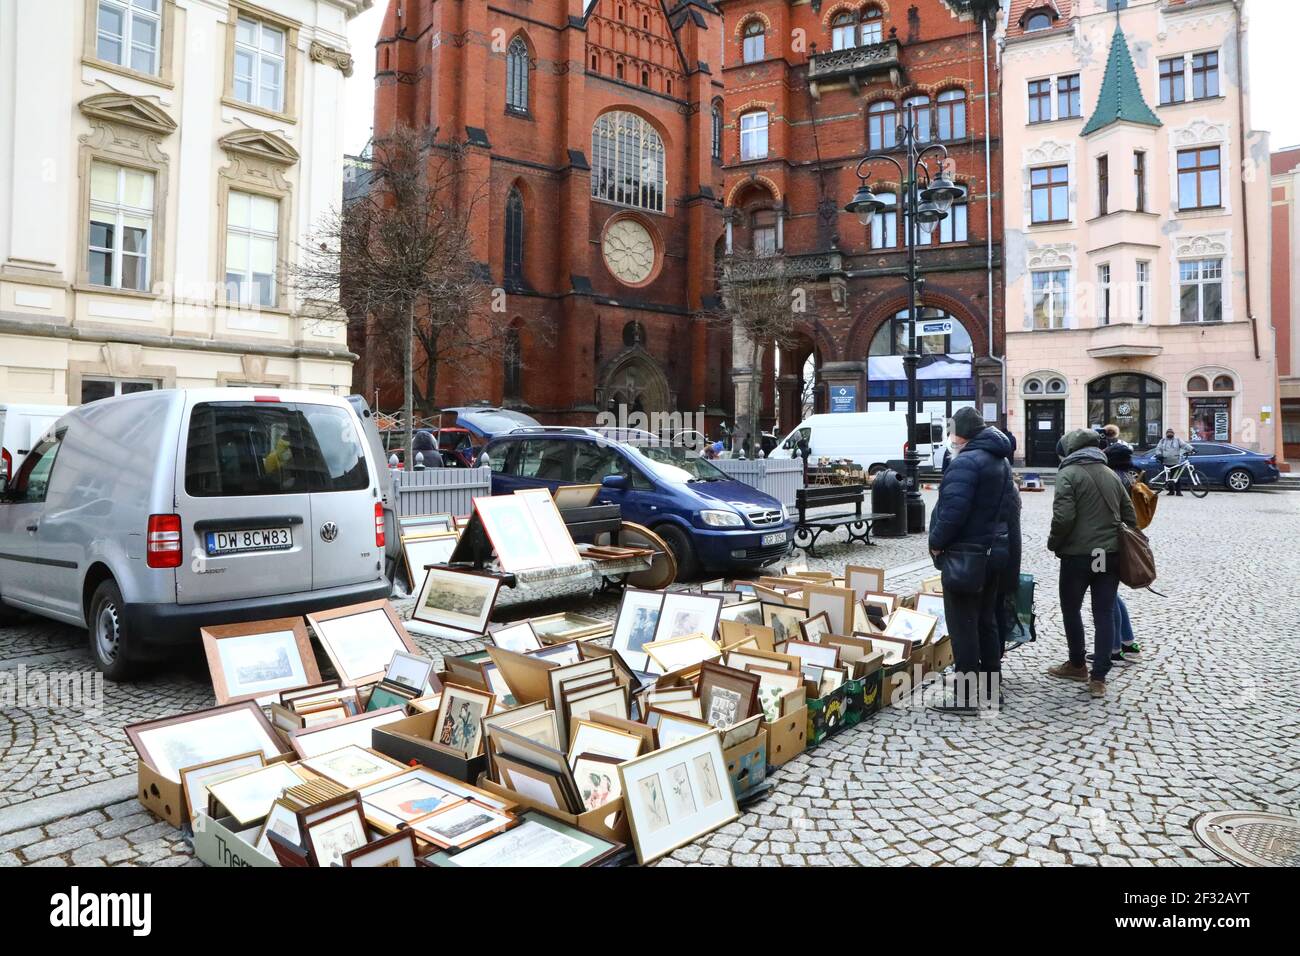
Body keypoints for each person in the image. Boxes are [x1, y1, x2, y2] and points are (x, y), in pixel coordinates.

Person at [928, 407, 1019, 714]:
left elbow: (953, 513)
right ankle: (993, 691)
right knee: (987, 622)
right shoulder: (1000, 459)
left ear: (960, 433)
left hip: (967, 555)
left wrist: (936, 543)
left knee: (963, 625)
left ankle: (966, 698)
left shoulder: (966, 462)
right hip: (995, 553)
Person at [1046, 429, 1137, 698]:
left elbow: (1063, 517)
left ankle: (1077, 665)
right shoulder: (1111, 474)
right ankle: (1099, 677)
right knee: (1104, 613)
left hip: (1077, 556)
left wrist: (1054, 542)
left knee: (1071, 609)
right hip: (1108, 556)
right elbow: (1130, 516)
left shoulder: (1068, 474)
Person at [1098, 426, 1142, 661]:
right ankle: (1128, 641)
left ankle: (1113, 648)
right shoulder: (1129, 476)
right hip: (1123, 540)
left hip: (1109, 543)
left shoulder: (1113, 479)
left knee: (1106, 596)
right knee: (1112, 594)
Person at [1152, 428, 1193, 496]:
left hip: (1176, 462)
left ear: (1173, 434)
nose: (1170, 434)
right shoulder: (1162, 441)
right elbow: (1158, 448)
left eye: (1171, 433)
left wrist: (1192, 449)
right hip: (1165, 462)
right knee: (1168, 478)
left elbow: (1184, 445)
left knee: (1177, 477)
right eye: (1168, 433)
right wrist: (1159, 454)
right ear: (1166, 434)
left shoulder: (1177, 440)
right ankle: (1171, 491)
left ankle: (1178, 492)